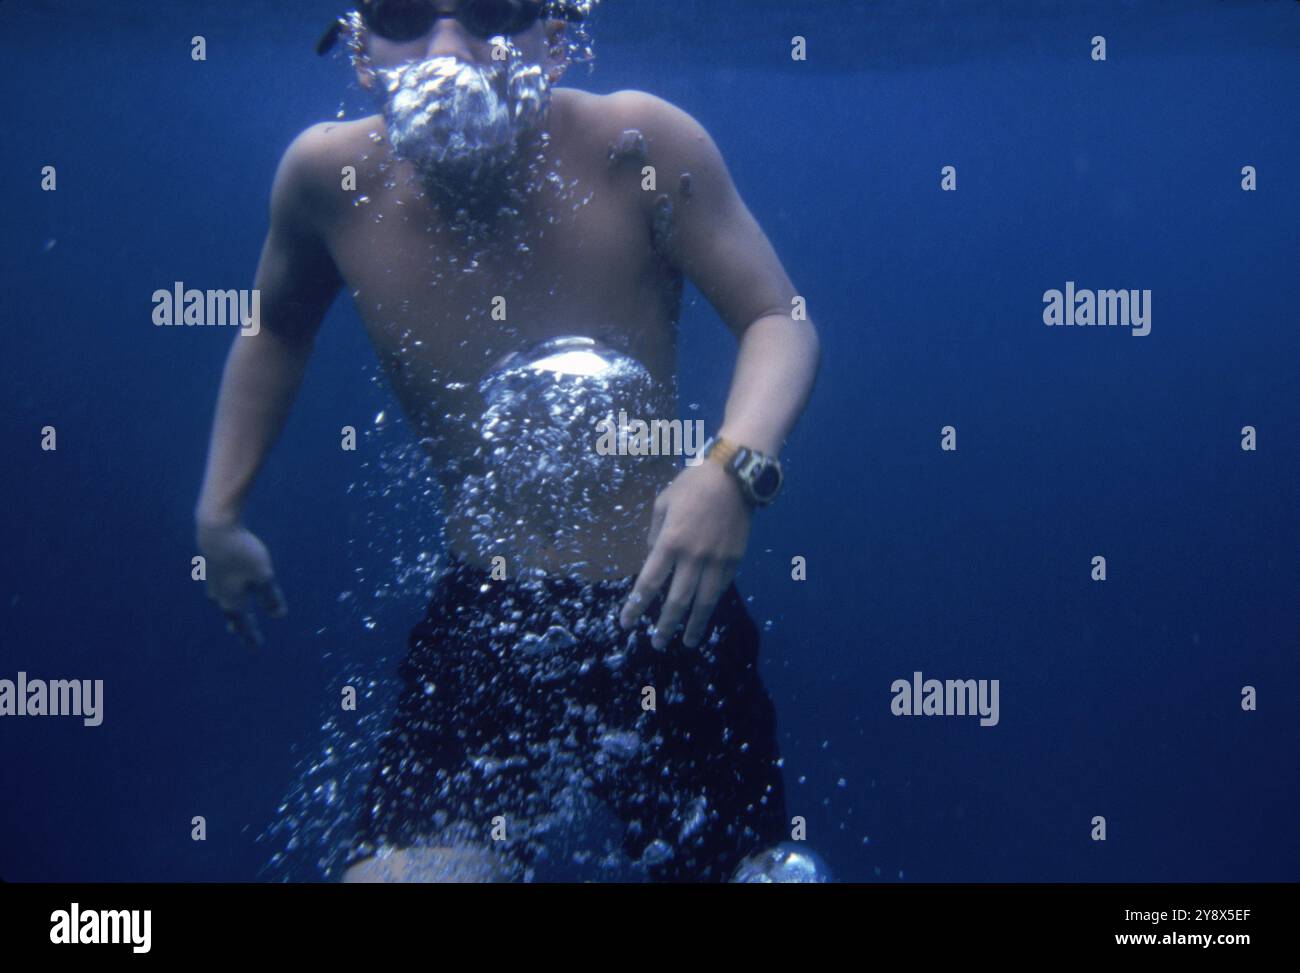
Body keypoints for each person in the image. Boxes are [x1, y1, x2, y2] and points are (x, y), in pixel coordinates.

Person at [195, 0, 820, 882]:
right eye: (407, 13)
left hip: (671, 611)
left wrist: (731, 471)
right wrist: (220, 513)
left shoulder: (641, 144)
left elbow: (778, 317)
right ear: (361, 41)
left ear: (554, 32)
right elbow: (274, 328)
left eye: (495, 9)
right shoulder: (325, 179)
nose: (450, 46)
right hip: (484, 621)